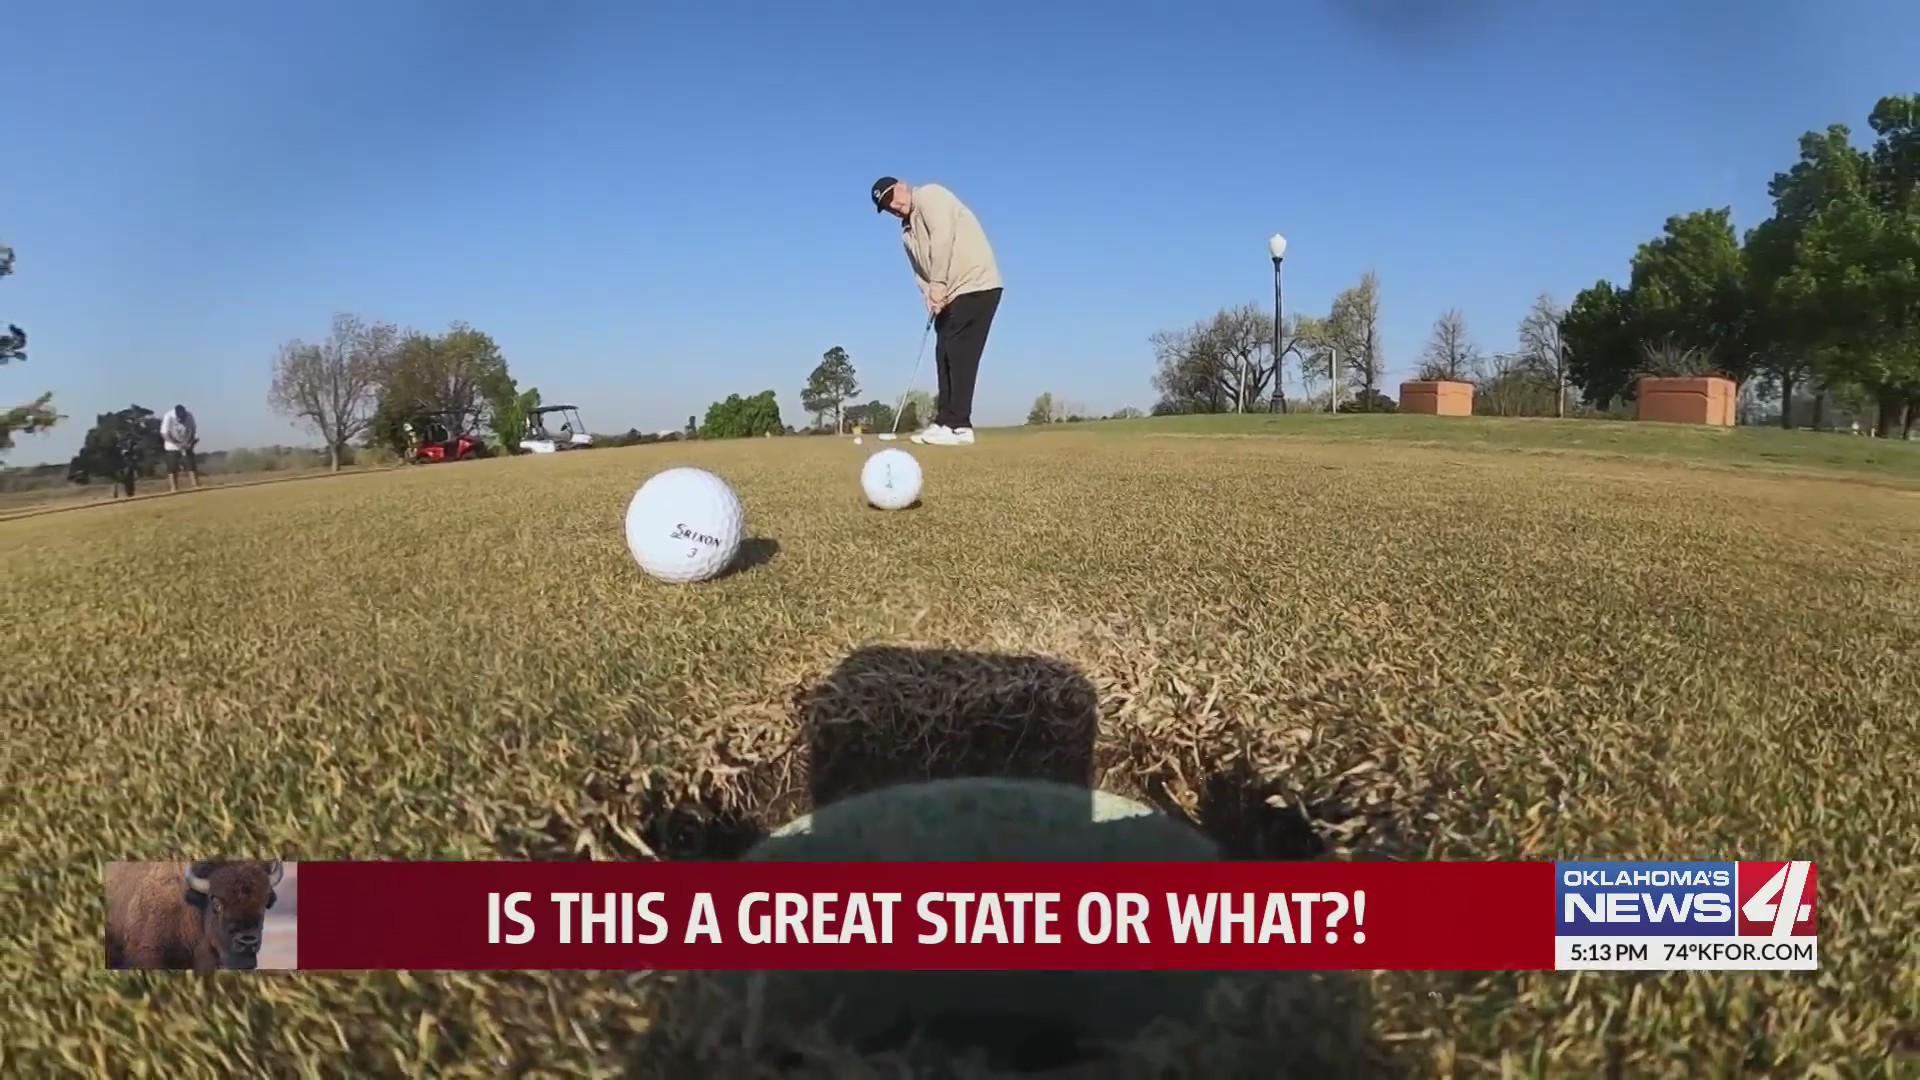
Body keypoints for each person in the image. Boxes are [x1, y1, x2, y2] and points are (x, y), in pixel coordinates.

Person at [871, 176, 1003, 446]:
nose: (893, 206)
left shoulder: (931, 195)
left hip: (976, 284)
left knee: (959, 351)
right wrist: (929, 295)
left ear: (903, 185)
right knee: (943, 352)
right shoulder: (907, 233)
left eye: (892, 197)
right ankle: (945, 421)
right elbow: (919, 271)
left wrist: (939, 283)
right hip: (948, 294)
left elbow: (943, 237)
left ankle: (961, 426)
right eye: (886, 206)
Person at [159, 404, 200, 492]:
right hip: (172, 445)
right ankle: (174, 488)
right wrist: (177, 444)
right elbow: (165, 434)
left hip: (186, 442)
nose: (182, 420)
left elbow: (192, 430)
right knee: (172, 466)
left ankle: (195, 485)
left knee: (191, 463)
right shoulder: (168, 416)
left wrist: (189, 442)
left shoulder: (189, 415)